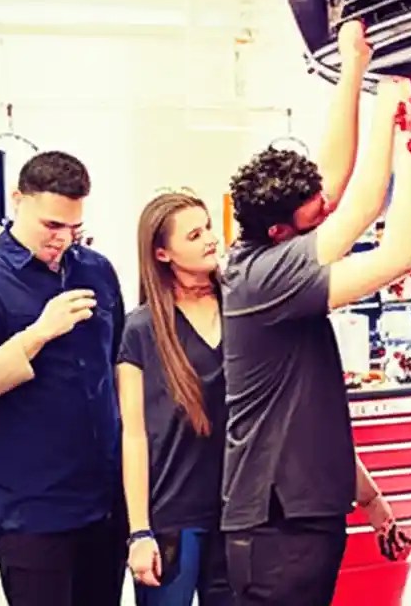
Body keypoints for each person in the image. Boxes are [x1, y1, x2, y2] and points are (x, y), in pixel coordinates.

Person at [219, 50, 411, 604]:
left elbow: (333, 186)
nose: (326, 209)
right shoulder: (263, 277)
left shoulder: (267, 249)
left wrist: (357, 63)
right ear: (284, 231)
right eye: (315, 213)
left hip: (291, 518)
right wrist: (403, 130)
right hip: (278, 528)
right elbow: (391, 243)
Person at [0, 151, 128, 606]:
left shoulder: (95, 270)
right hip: (33, 512)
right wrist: (38, 334)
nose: (62, 239)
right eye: (51, 227)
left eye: (73, 228)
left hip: (104, 502)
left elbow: (121, 369)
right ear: (16, 200)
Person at [117, 190, 232, 606]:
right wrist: (139, 530)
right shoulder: (140, 330)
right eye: (194, 234)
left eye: (208, 228)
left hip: (237, 511)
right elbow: (133, 435)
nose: (210, 239)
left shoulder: (241, 309)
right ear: (162, 253)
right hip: (172, 517)